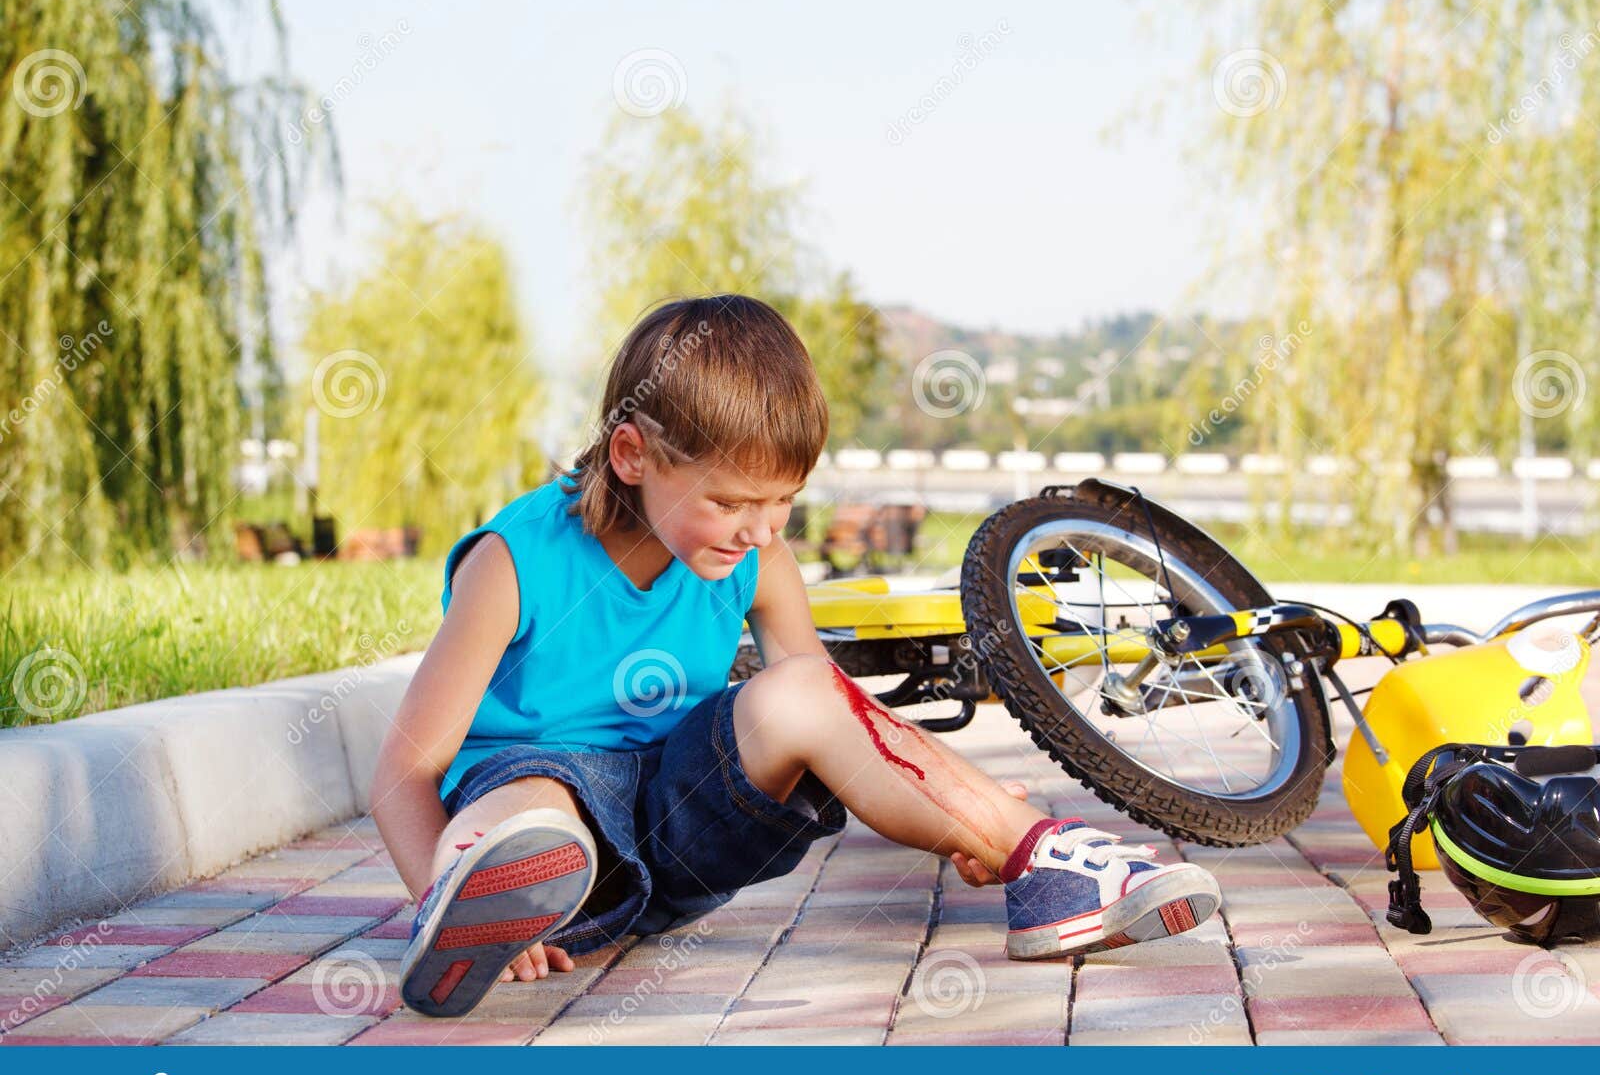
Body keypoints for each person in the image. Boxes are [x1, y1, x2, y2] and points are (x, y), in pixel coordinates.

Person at [369, 294, 1221, 1018]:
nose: (762, 529)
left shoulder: (755, 558)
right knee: (535, 802)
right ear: (631, 454)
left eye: (783, 501)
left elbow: (834, 721)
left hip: (680, 821)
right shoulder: (514, 562)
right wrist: (428, 899)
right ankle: (478, 896)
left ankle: (1040, 859)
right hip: (560, 829)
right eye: (732, 500)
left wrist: (959, 813)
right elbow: (402, 777)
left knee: (805, 687)